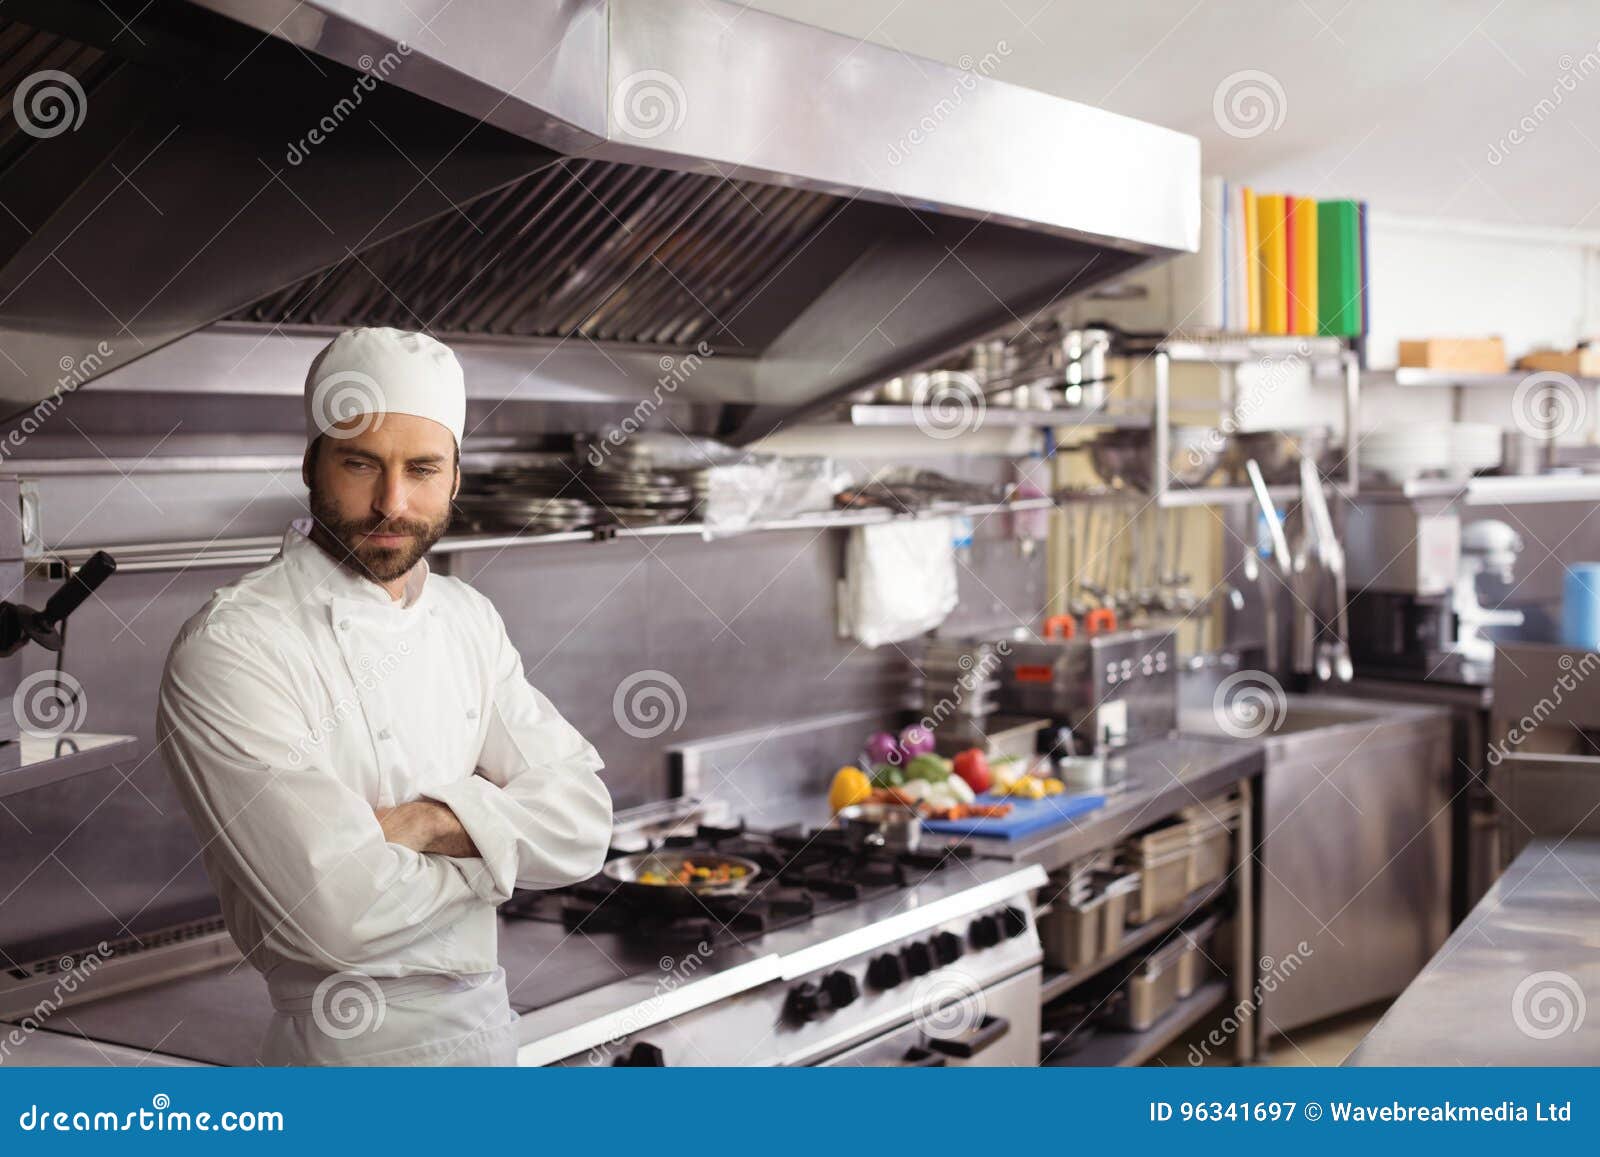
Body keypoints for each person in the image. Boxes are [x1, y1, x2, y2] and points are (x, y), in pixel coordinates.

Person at [158, 327, 612, 1066]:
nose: (391, 503)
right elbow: (336, 911)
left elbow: (585, 826)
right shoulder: (234, 645)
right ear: (311, 464)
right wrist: (501, 848)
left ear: (455, 478)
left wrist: (432, 823)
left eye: (422, 468)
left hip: (492, 1046)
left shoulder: (467, 618)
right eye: (361, 463)